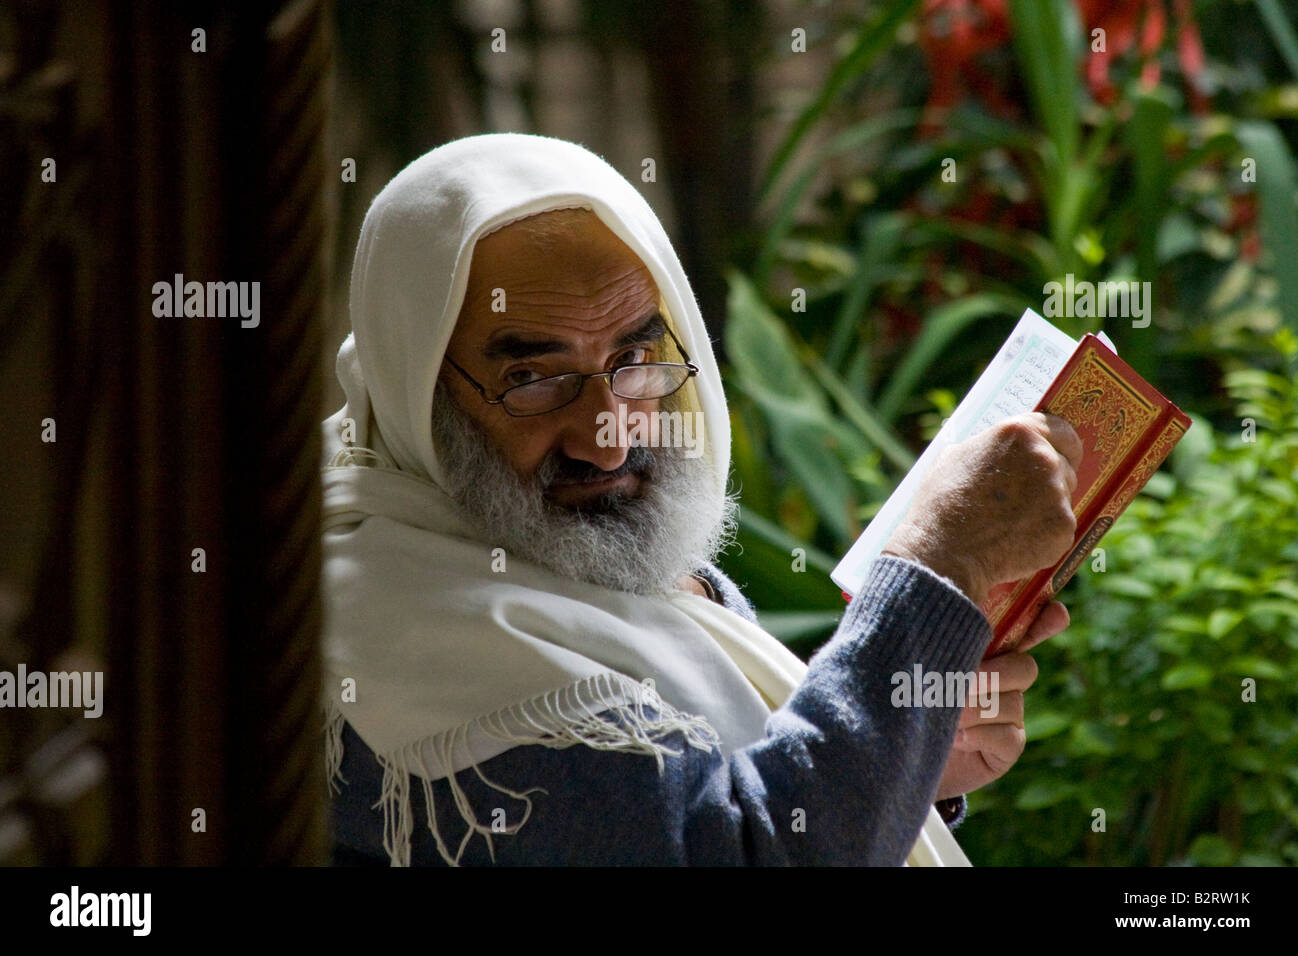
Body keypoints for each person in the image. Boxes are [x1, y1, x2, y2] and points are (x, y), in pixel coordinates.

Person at [321, 133, 1081, 866]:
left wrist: (907, 759)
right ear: (416, 391)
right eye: (533, 380)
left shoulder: (560, 551)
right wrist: (941, 560)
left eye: (635, 358)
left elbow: (741, 799)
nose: (607, 439)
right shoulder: (388, 622)